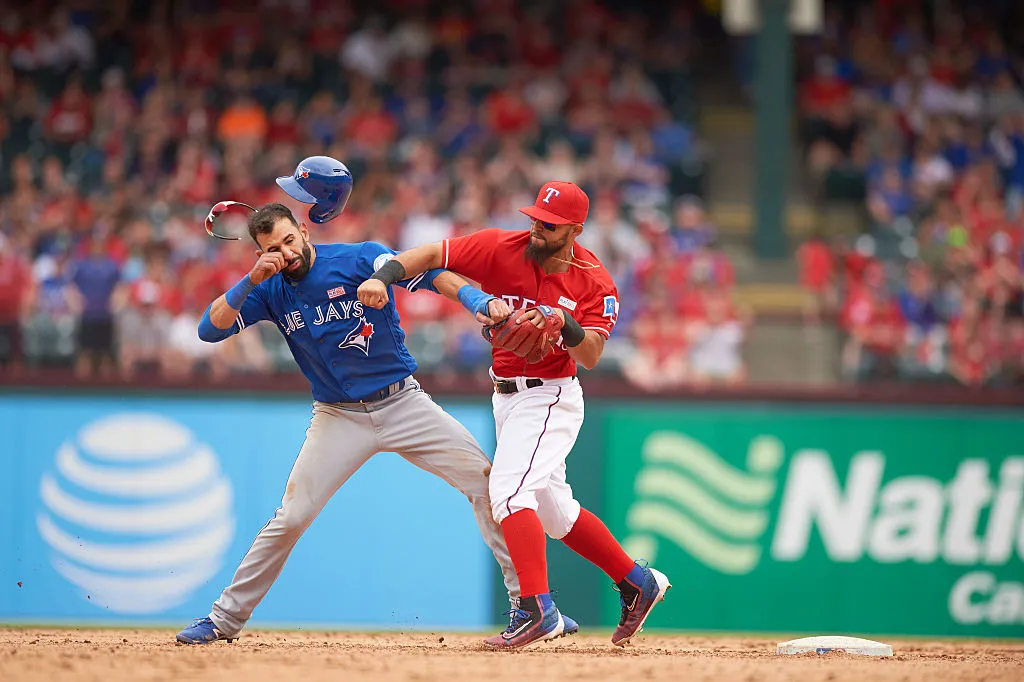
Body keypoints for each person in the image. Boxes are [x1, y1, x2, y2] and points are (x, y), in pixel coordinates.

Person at [176, 159, 579, 644]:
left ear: (304, 231)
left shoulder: (357, 257)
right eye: (271, 249)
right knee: (292, 517)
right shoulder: (270, 292)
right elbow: (209, 330)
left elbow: (434, 274)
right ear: (261, 254)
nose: (284, 253)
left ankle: (531, 606)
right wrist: (251, 280)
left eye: (288, 240)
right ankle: (223, 620)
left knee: (488, 486)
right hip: (337, 417)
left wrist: (476, 302)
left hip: (403, 404)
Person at [357, 181, 671, 649]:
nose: (538, 229)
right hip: (505, 394)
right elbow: (431, 255)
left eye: (551, 225)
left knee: (508, 492)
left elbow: (590, 355)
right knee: (556, 515)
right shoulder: (502, 247)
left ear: (575, 230)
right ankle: (636, 582)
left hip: (550, 396)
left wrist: (564, 323)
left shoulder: (595, 281)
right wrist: (383, 277)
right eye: (536, 219)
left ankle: (536, 608)